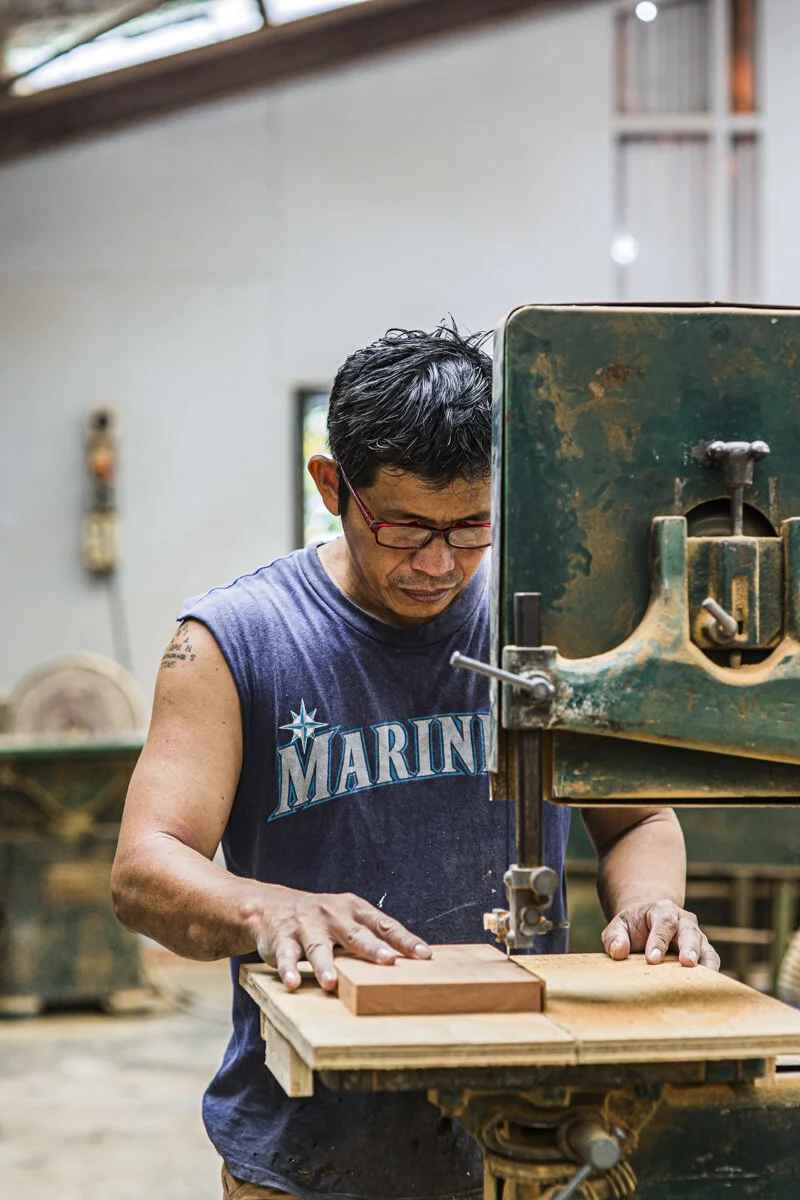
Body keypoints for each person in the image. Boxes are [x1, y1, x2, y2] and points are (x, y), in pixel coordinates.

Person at [111, 323, 720, 1200]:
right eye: (404, 528)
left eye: (471, 526)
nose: (439, 564)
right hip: (310, 1151)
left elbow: (640, 817)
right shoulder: (232, 642)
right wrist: (270, 908)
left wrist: (655, 906)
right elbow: (143, 869)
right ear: (333, 486)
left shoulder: (542, 629)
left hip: (526, 1132)